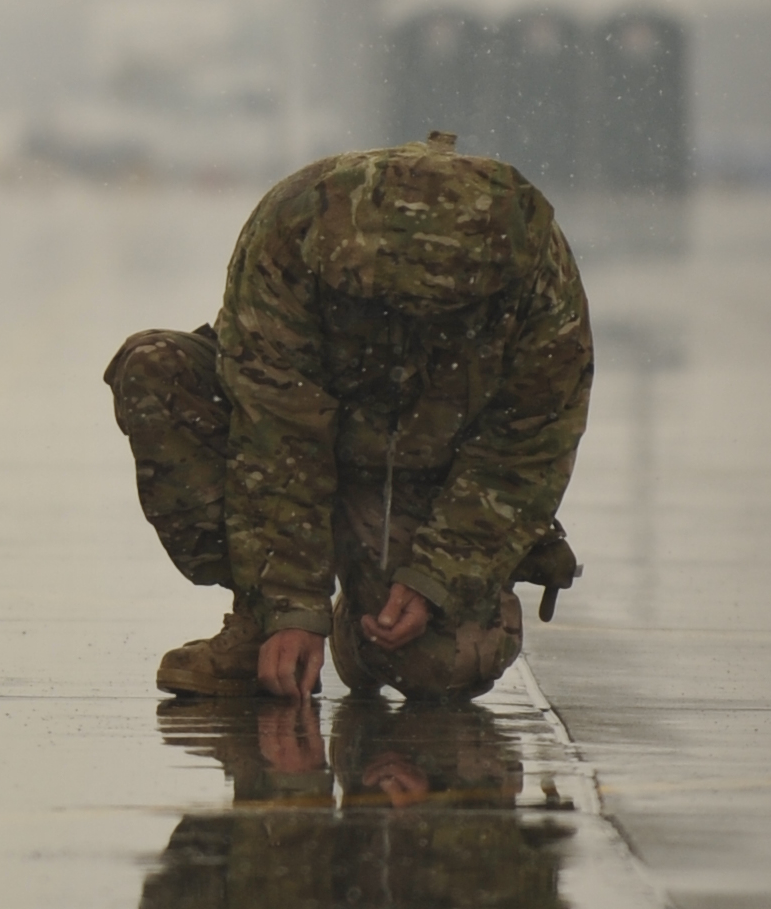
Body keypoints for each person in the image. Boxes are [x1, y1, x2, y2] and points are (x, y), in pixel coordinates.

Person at [104, 130, 592, 709]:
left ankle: (359, 617)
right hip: (304, 452)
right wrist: (288, 606)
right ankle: (259, 625)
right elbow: (277, 432)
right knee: (155, 371)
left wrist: (435, 577)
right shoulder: (291, 231)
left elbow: (525, 451)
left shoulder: (537, 272)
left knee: (440, 666)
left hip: (425, 480)